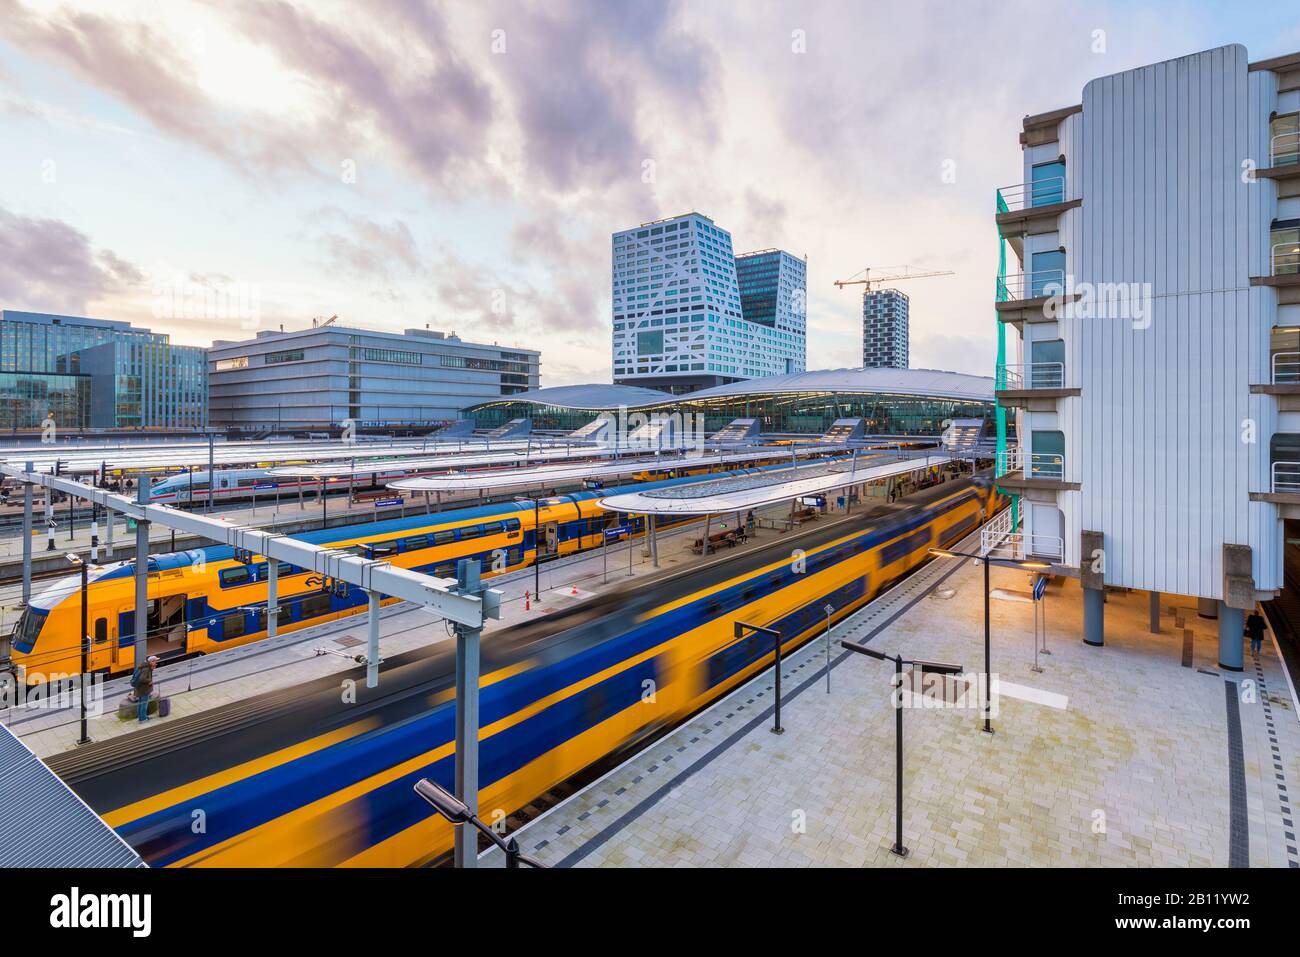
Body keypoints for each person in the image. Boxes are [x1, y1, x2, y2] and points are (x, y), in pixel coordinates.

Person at [130, 654, 159, 722]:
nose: (156, 663)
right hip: (144, 690)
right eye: (155, 661)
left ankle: (141, 717)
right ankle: (143, 719)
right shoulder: (146, 669)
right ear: (151, 662)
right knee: (144, 704)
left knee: (140, 703)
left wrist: (152, 669)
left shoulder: (144, 666)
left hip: (140, 689)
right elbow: (142, 679)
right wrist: (149, 681)